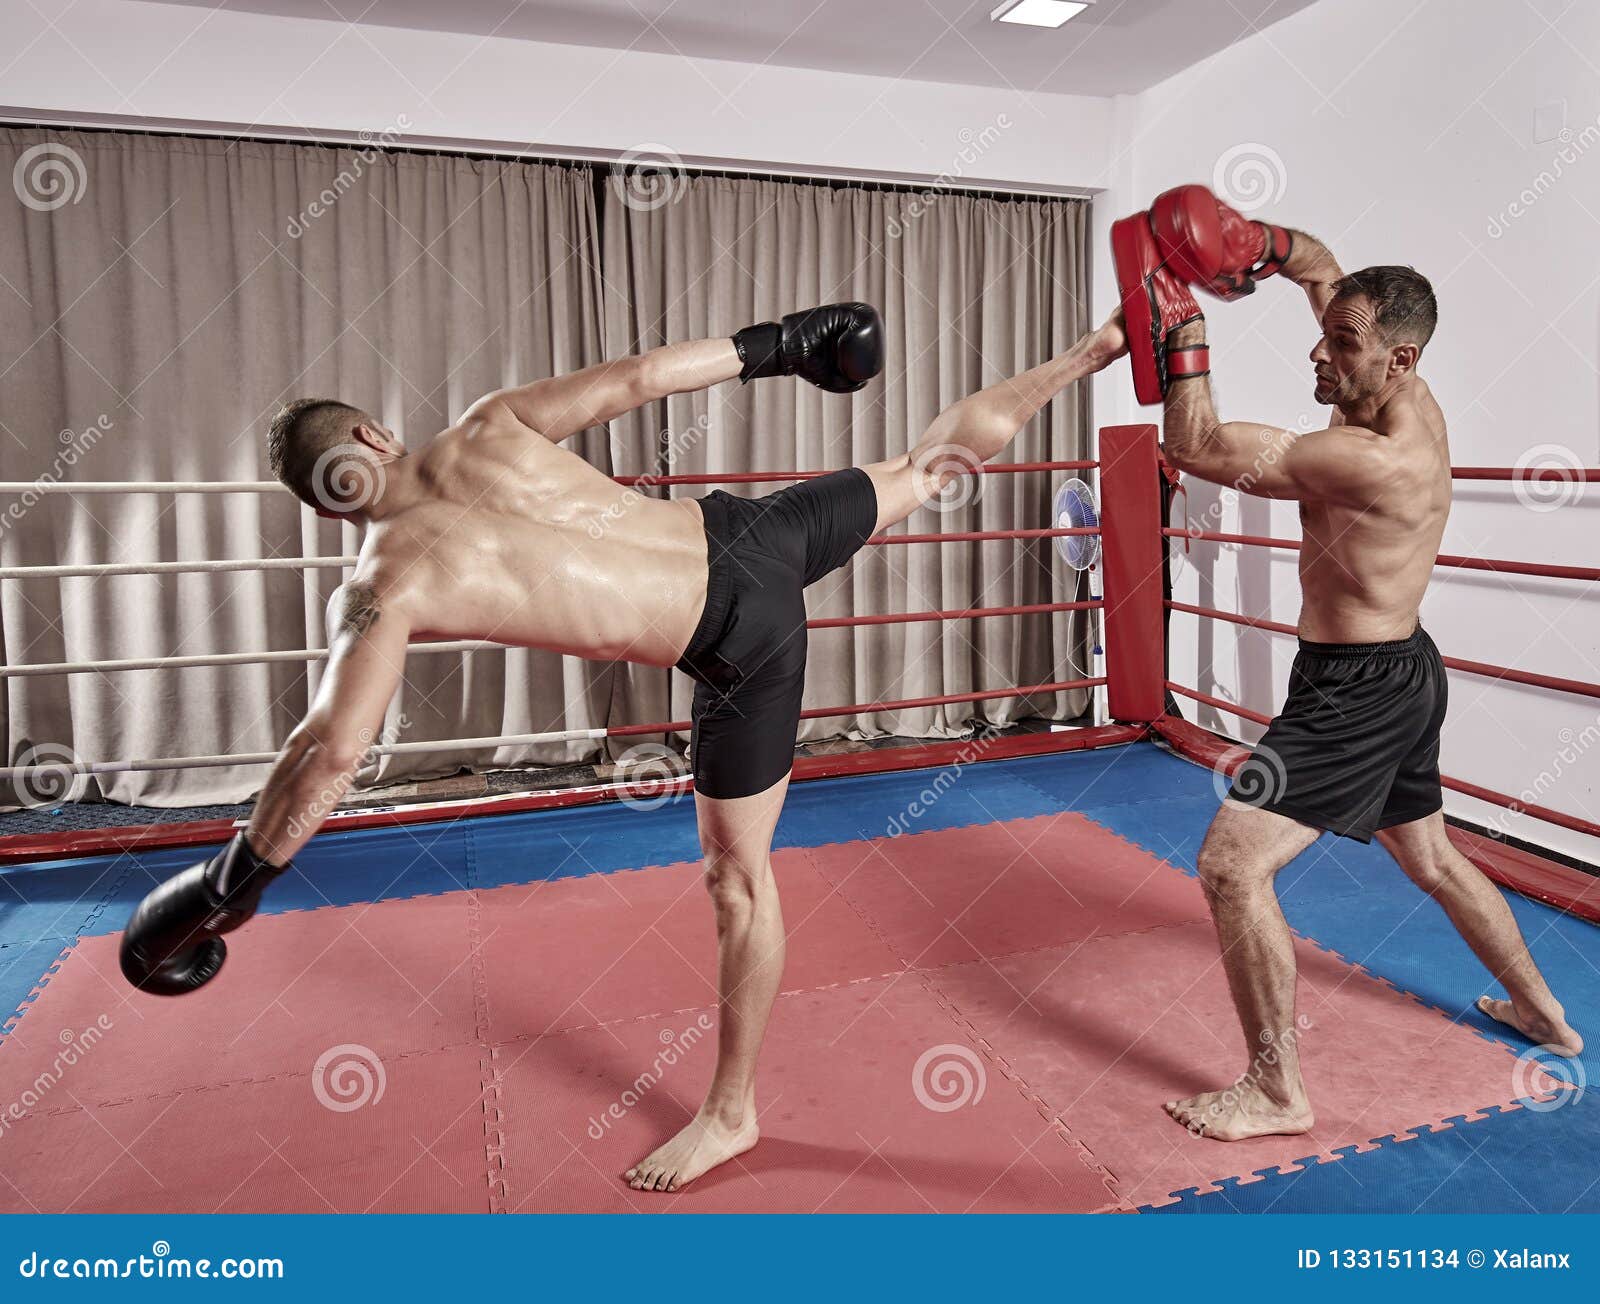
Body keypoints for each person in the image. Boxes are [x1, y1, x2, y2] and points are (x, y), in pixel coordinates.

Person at [120, 299, 1128, 1189]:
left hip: (734, 639)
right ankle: (1087, 355)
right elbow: (644, 378)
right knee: (925, 464)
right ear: (376, 434)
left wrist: (235, 877)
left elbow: (330, 750)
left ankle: (732, 1113)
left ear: (321, 505)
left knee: (738, 881)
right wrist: (780, 346)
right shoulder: (486, 425)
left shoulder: (383, 587)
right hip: (752, 532)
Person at [1110, 184, 1582, 1143]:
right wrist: (1258, 246)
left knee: (1232, 868)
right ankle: (1543, 1013)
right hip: (1402, 669)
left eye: (1344, 345)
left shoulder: (1376, 461)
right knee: (1436, 857)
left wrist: (1185, 325)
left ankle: (1277, 1091)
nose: (1320, 353)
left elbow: (1194, 445)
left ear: (1399, 359)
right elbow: (1325, 264)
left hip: (1356, 693)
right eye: (1325, 335)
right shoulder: (1397, 385)